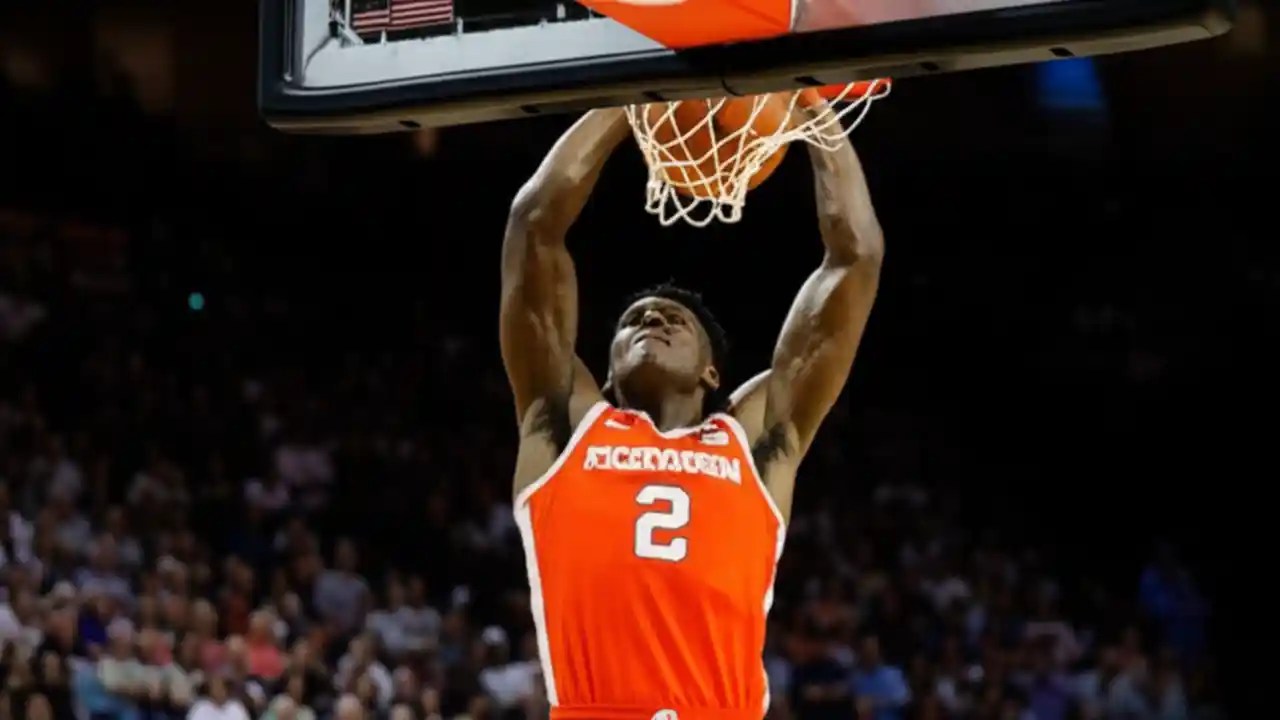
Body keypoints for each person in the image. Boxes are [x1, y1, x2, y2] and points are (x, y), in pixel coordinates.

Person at [499, 104, 884, 720]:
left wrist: (814, 111)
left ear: (712, 372)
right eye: (633, 322)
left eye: (673, 319)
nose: (652, 319)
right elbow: (533, 225)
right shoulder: (566, 423)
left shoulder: (755, 437)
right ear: (607, 368)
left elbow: (854, 259)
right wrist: (629, 101)